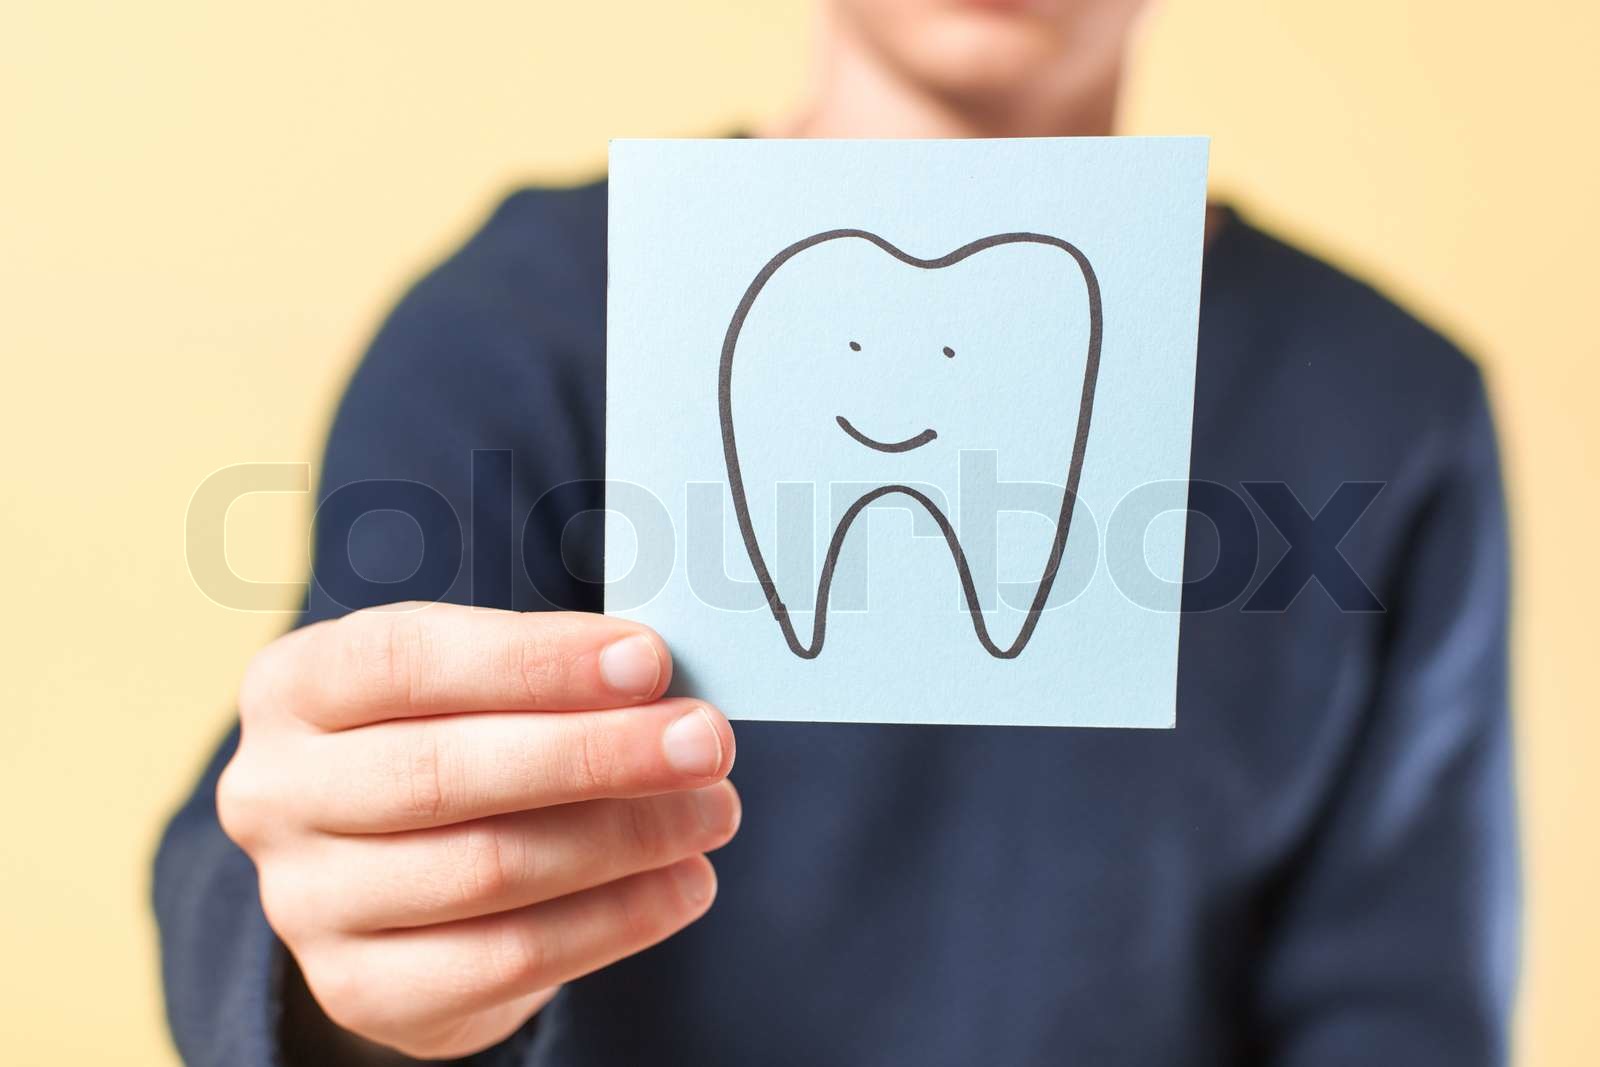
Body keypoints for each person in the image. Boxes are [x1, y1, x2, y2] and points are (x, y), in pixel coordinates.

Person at [154, 0, 1519, 1063]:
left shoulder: (1391, 412)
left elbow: (1401, 1003)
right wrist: (349, 988)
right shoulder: (521, 323)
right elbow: (304, 848)